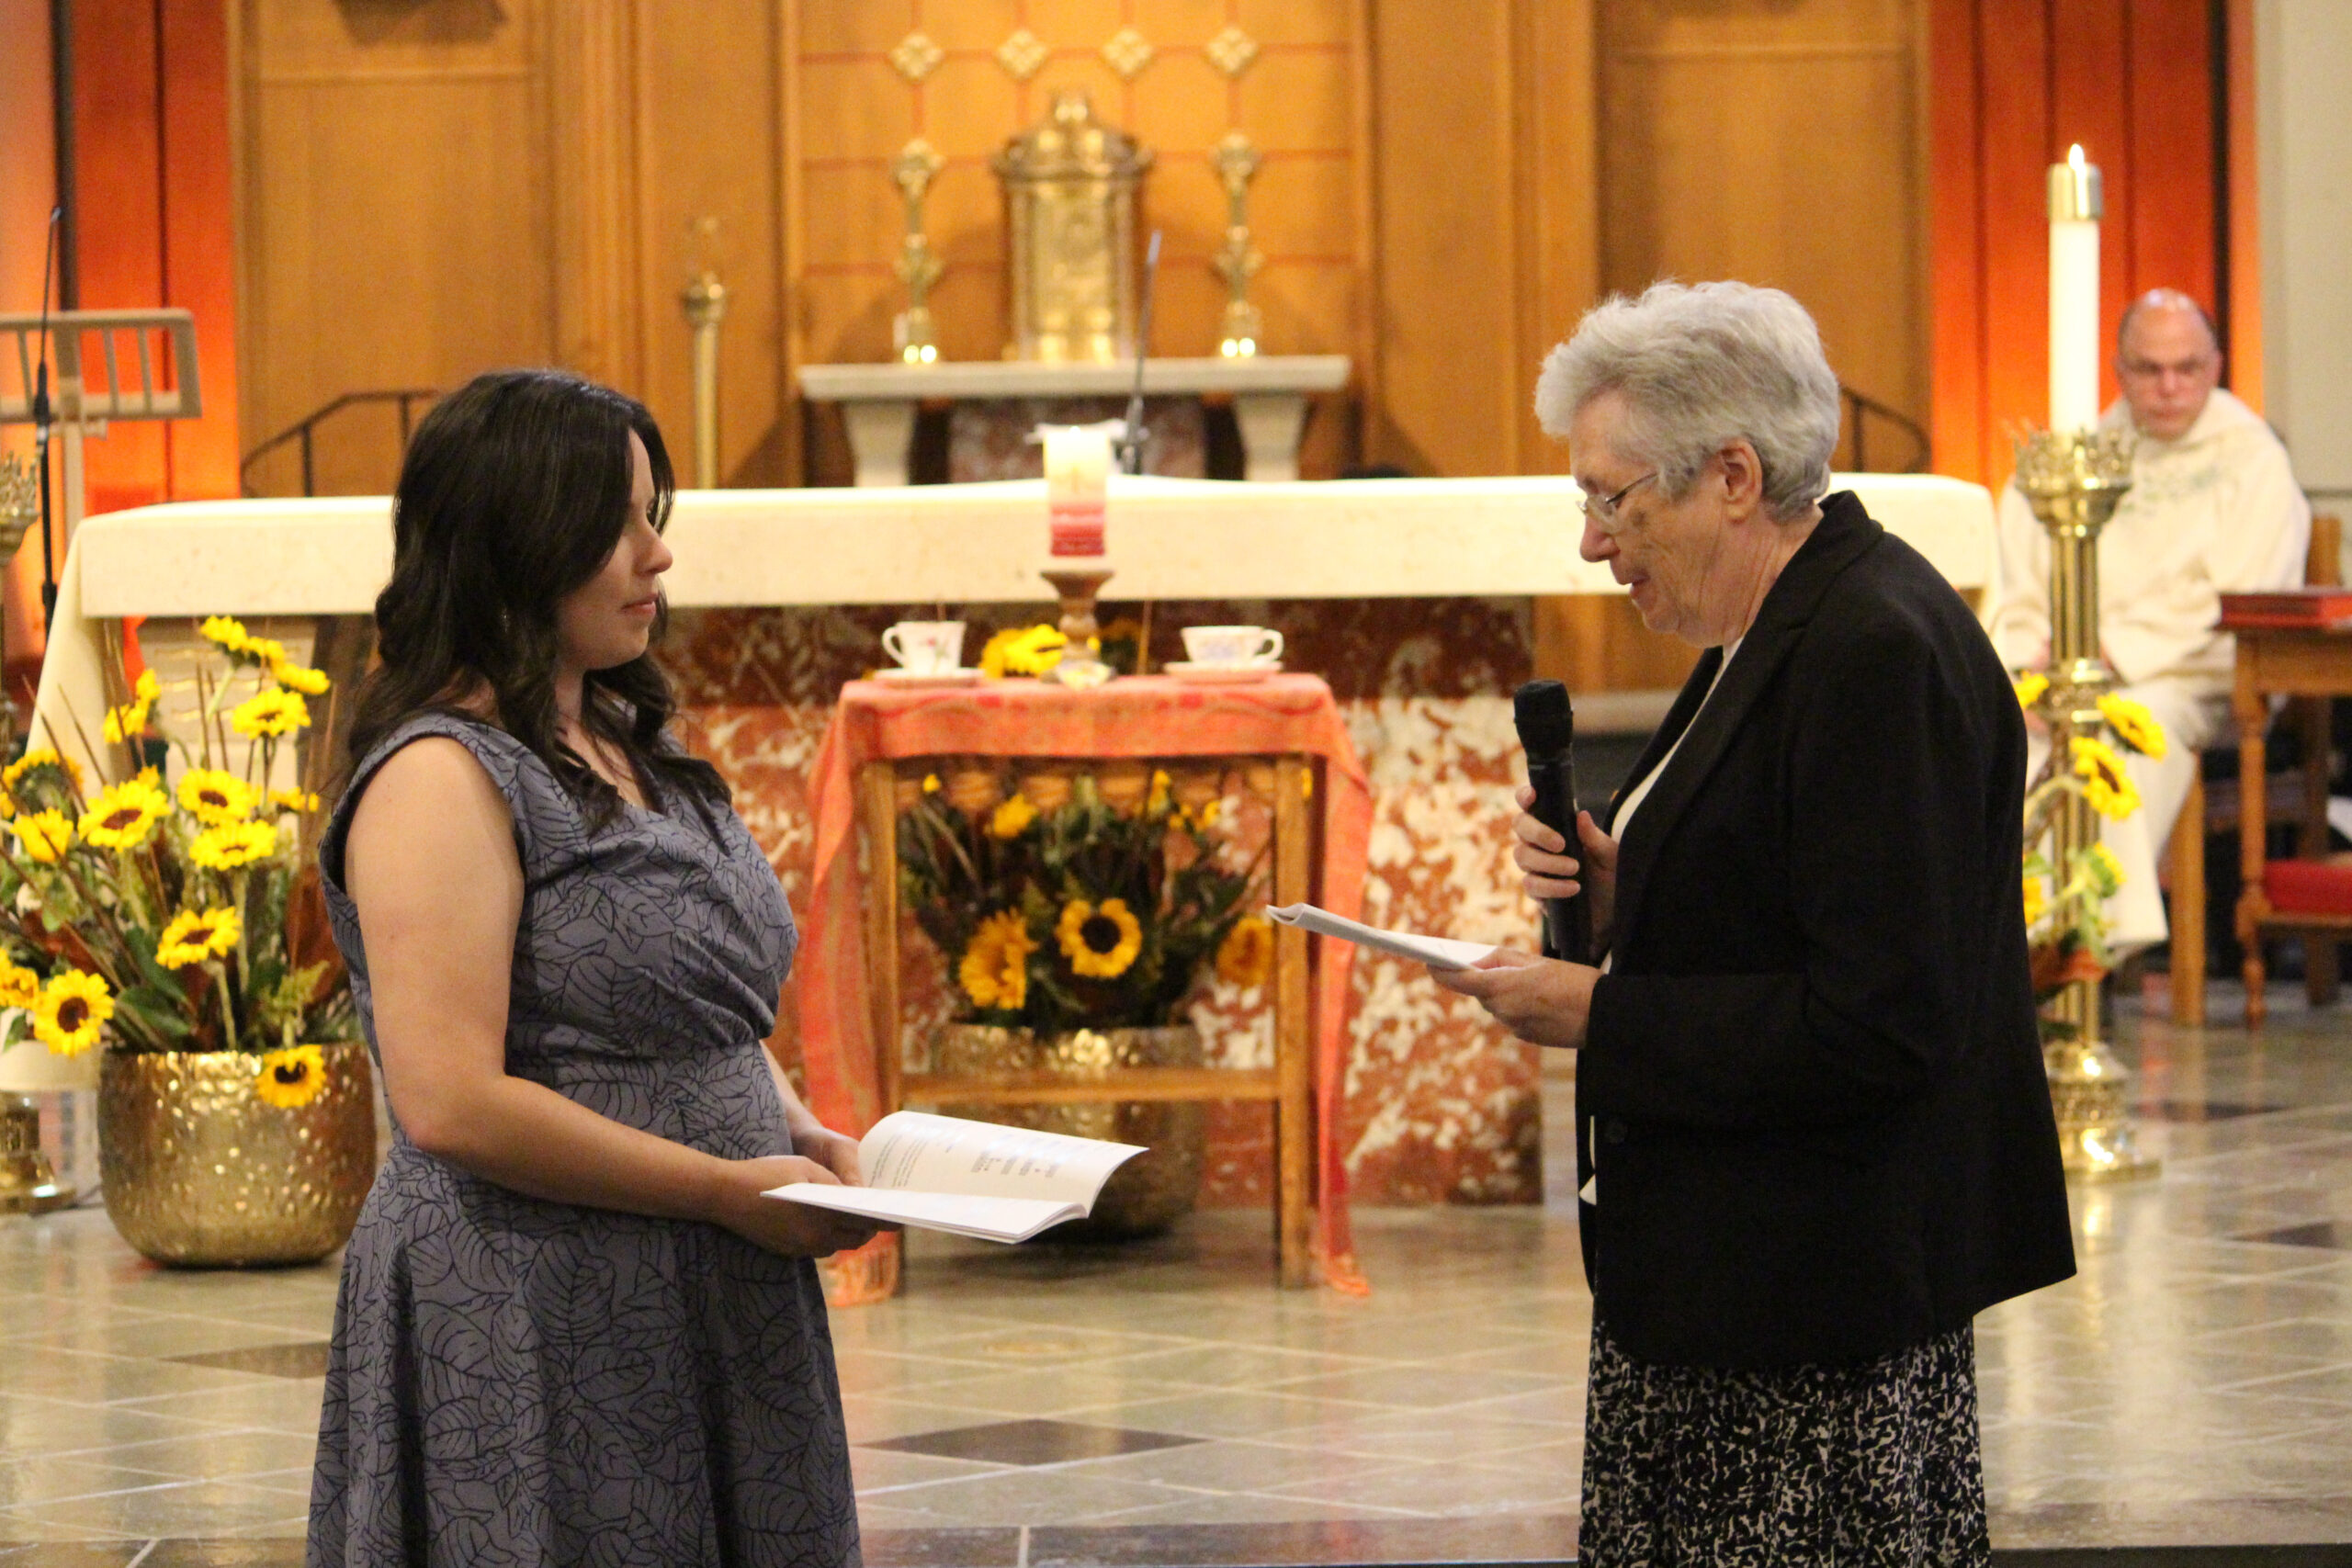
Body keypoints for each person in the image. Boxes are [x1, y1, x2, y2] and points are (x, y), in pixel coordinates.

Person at [1434, 282, 2075, 1564]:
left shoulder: (1871, 649)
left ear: (1733, 472)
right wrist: (1631, 901)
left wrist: (1598, 1012)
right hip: (1748, 1284)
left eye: (1614, 500)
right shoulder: (1778, 622)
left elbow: (1879, 1023)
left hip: (1809, 1320)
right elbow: (1795, 897)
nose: (1594, 543)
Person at [308, 369, 882, 1567]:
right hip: (535, 1299)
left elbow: (683, 1002)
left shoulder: (626, 734)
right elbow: (451, 1099)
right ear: (519, 539)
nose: (657, 553)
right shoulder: (439, 775)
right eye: (617, 521)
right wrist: (726, 1187)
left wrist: (792, 1125)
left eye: (650, 513)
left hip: (707, 1282)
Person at [1984, 288, 2311, 949]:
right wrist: (2025, 671)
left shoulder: (2252, 461)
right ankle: (1991, 949)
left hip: (2188, 681)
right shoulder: (2074, 456)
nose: (2168, 387)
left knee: (2119, 742)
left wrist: (2105, 654)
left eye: (2186, 368)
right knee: (1992, 748)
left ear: (2216, 366)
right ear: (2117, 369)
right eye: (2148, 369)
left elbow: (2238, 600)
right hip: (2062, 679)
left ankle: (2085, 945)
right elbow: (2014, 579)